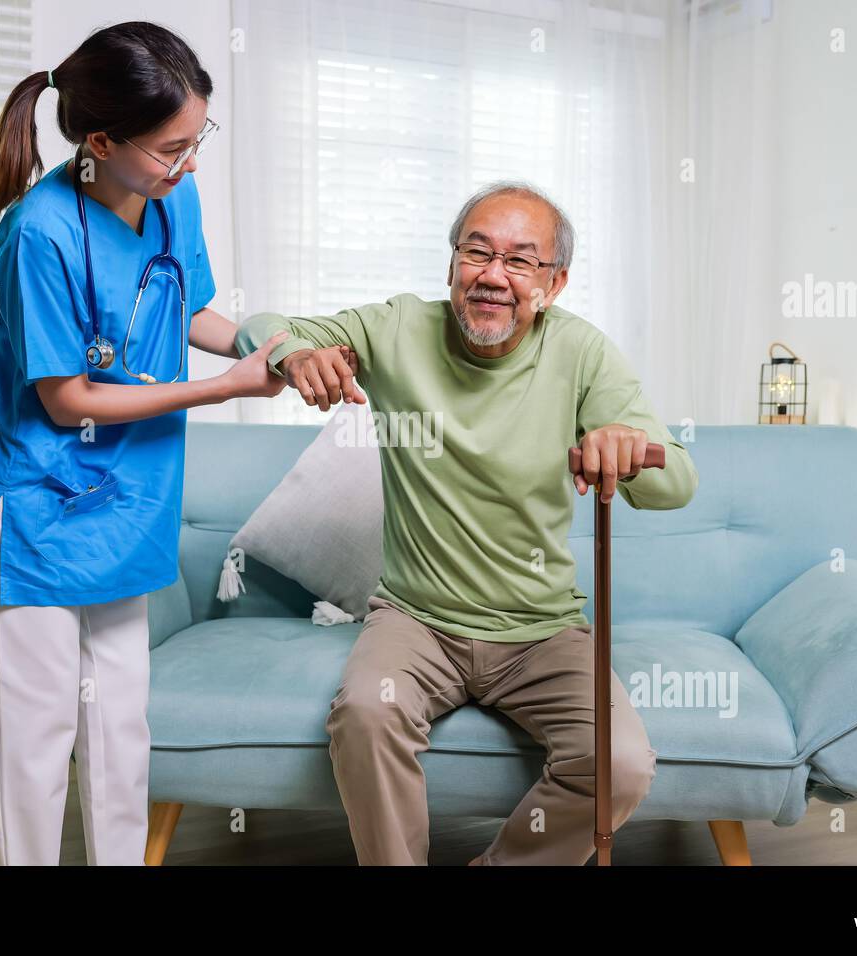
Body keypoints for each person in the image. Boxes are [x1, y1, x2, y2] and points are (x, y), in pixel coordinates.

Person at [234, 181, 699, 865]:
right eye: (476, 252)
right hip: (416, 621)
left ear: (555, 282)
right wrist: (293, 355)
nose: (491, 275)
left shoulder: (582, 354)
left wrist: (627, 453)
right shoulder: (397, 327)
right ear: (452, 262)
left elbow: (677, 483)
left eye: (519, 261)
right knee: (366, 714)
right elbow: (262, 325)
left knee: (620, 764)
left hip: (541, 629)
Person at [0, 21, 296, 866]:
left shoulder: (173, 197)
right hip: (32, 506)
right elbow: (66, 401)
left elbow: (195, 311)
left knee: (120, 731)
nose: (190, 163)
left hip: (126, 501)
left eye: (196, 138)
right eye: (172, 147)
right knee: (33, 738)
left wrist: (274, 346)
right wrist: (225, 390)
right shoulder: (41, 232)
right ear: (100, 140)